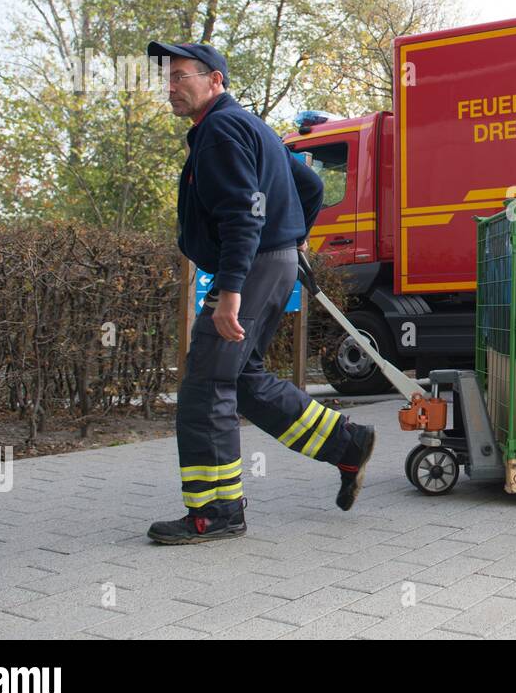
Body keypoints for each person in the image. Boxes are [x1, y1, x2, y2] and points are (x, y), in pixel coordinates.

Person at [147, 41, 376, 544]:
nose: (171, 87)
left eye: (181, 76)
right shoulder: (251, 127)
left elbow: (241, 214)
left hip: (250, 270)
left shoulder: (220, 130)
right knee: (243, 378)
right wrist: (292, 241)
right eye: (167, 79)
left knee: (207, 387)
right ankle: (346, 443)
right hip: (271, 264)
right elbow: (309, 188)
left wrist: (230, 291)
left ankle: (216, 512)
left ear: (215, 81)